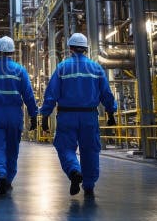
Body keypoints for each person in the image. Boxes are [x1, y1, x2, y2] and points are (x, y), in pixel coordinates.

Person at [39, 33, 116, 197]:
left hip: (67, 116)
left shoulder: (62, 68)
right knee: (91, 150)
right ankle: (89, 185)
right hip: (89, 117)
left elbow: (51, 94)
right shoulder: (96, 68)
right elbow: (106, 94)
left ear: (70, 48)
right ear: (86, 49)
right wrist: (111, 113)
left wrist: (45, 116)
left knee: (65, 147)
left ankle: (74, 170)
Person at [0, 36, 38, 195]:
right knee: (12, 148)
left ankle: (0, 174)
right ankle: (8, 178)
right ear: (12, 51)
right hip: (14, 114)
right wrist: (33, 115)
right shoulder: (19, 70)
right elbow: (29, 95)